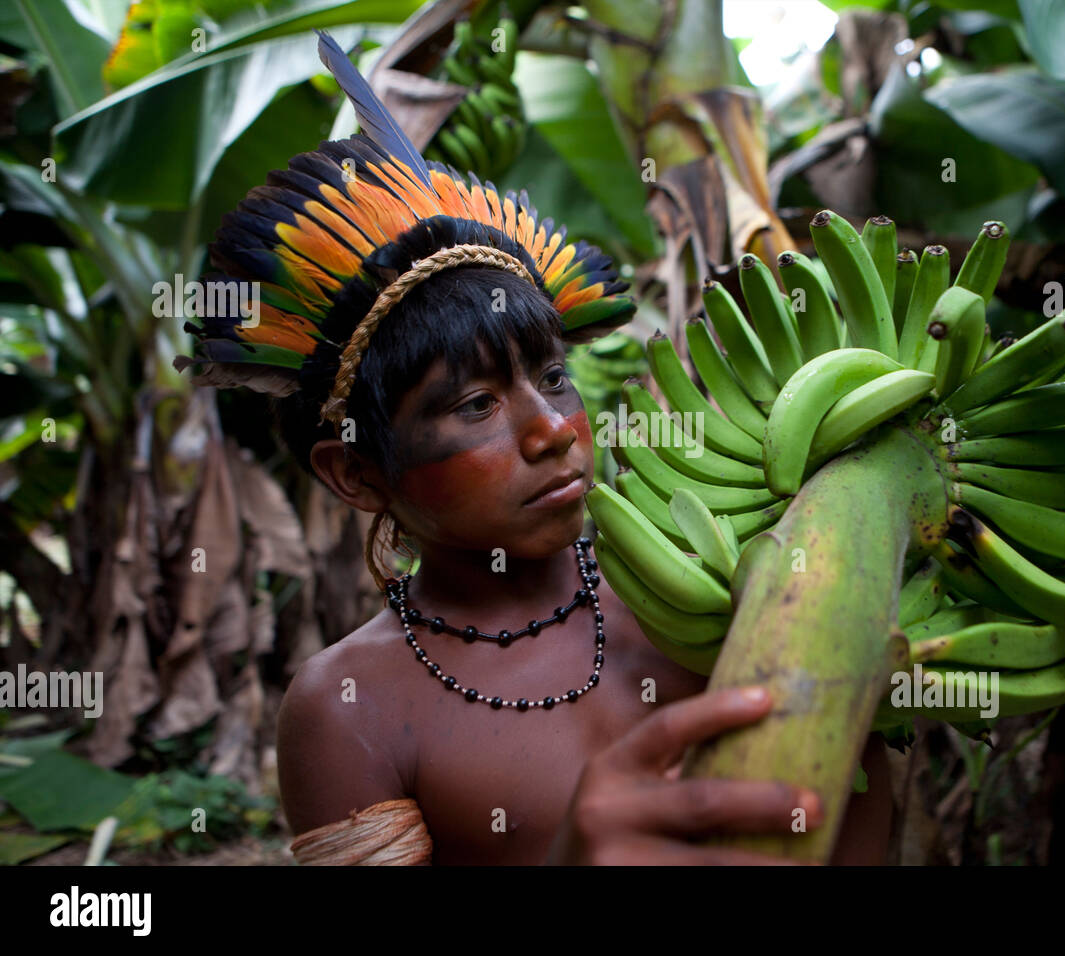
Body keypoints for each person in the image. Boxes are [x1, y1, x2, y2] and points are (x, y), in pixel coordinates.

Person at [177, 31, 891, 865]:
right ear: (357, 472)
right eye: (476, 404)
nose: (552, 429)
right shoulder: (350, 709)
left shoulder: (722, 596)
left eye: (552, 378)